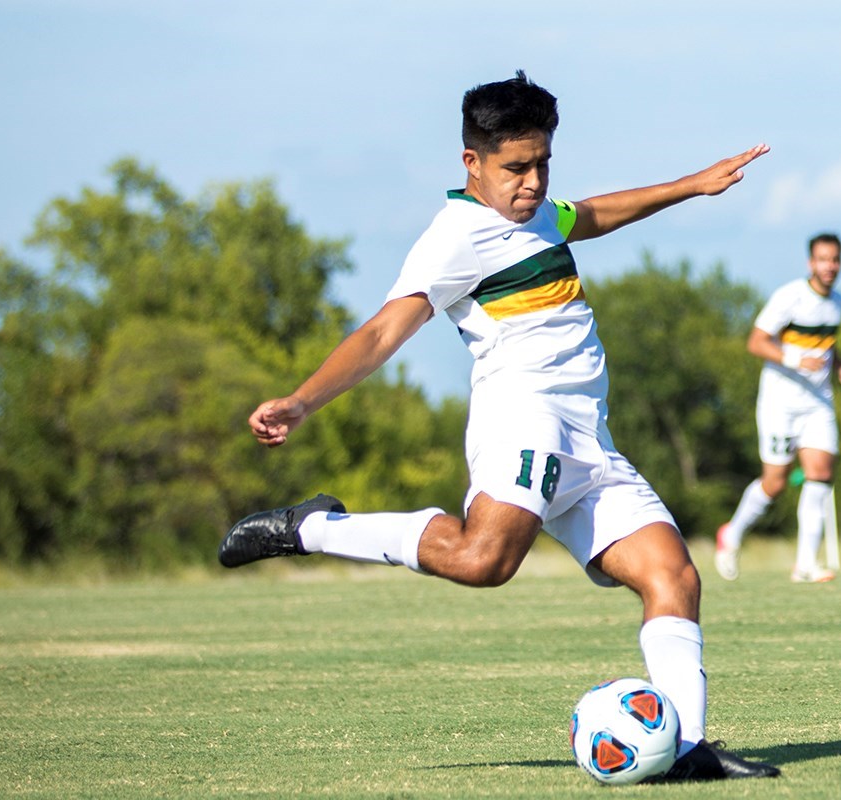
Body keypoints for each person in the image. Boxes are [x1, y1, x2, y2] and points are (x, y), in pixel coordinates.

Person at [218, 72, 779, 781]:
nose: (534, 181)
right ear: (471, 163)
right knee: (485, 562)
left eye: (544, 162)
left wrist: (690, 184)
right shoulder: (455, 236)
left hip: (589, 438)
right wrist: (302, 400)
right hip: (525, 419)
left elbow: (593, 215)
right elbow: (385, 330)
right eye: (517, 167)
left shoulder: (537, 210)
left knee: (673, 576)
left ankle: (689, 749)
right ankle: (311, 529)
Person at [713, 233, 841, 583]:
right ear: (811, 263)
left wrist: (840, 368)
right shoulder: (790, 296)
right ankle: (731, 534)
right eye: (823, 259)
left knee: (821, 473)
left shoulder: (837, 301)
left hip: (818, 402)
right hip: (780, 404)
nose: (830, 266)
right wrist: (795, 358)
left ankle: (805, 564)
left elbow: (827, 346)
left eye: (835, 260)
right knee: (775, 482)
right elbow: (756, 342)